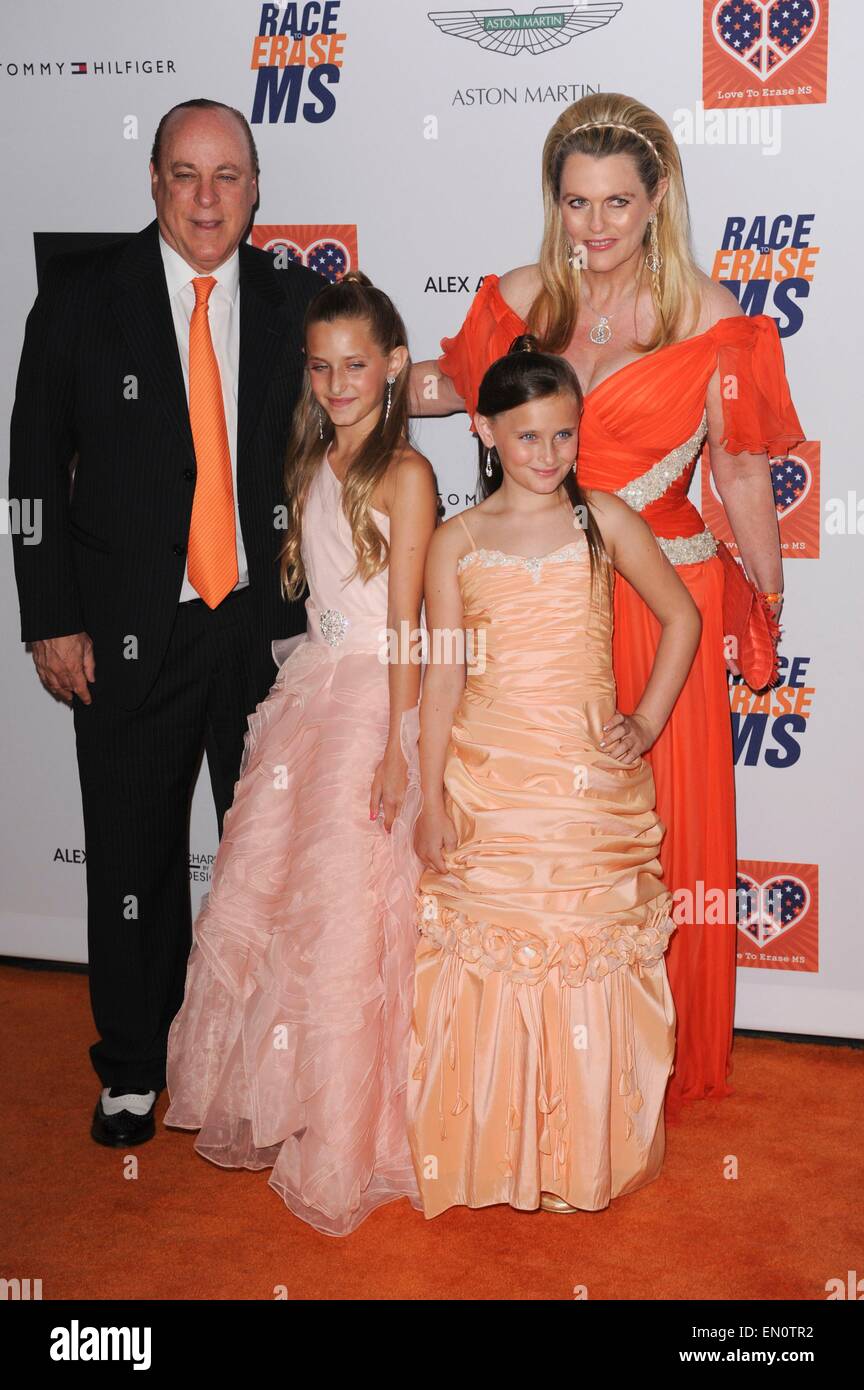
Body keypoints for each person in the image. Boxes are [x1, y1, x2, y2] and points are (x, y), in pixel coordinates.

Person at [408, 93, 804, 1120]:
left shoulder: (713, 322)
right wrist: (353, 390)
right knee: (553, 833)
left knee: (658, 837)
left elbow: (746, 474)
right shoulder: (513, 303)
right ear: (555, 199)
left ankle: (650, 1059)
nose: (595, 227)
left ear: (658, 197)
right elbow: (462, 395)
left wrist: (767, 592)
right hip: (542, 607)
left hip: (667, 592)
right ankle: (547, 1055)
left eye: (618, 204)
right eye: (576, 202)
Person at [7, 99, 327, 1146]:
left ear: (256, 188)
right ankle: (135, 1065)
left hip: (264, 628)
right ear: (152, 181)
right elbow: (31, 473)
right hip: (128, 625)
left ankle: (262, 1066)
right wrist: (49, 616)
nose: (205, 197)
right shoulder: (80, 300)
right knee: (134, 857)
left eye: (227, 175)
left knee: (269, 858)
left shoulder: (298, 303)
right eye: (185, 173)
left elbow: (366, 404)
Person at [164, 273, 438, 1236]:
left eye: (357, 365)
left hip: (371, 700)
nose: (336, 383)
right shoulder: (310, 453)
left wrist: (400, 750)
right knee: (273, 893)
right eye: (321, 367)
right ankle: (302, 1100)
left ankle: (361, 1124)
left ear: (394, 366)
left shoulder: (406, 474)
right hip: (308, 688)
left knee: (350, 913)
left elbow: (405, 626)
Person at [408, 338, 701, 1215]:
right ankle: (489, 1151)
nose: (548, 456)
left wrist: (645, 719)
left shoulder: (603, 520)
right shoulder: (454, 540)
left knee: (581, 957)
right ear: (484, 430)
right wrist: (430, 800)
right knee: (494, 961)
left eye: (564, 436)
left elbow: (681, 616)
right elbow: (442, 678)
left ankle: (582, 1150)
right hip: (490, 780)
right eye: (528, 436)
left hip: (584, 786)